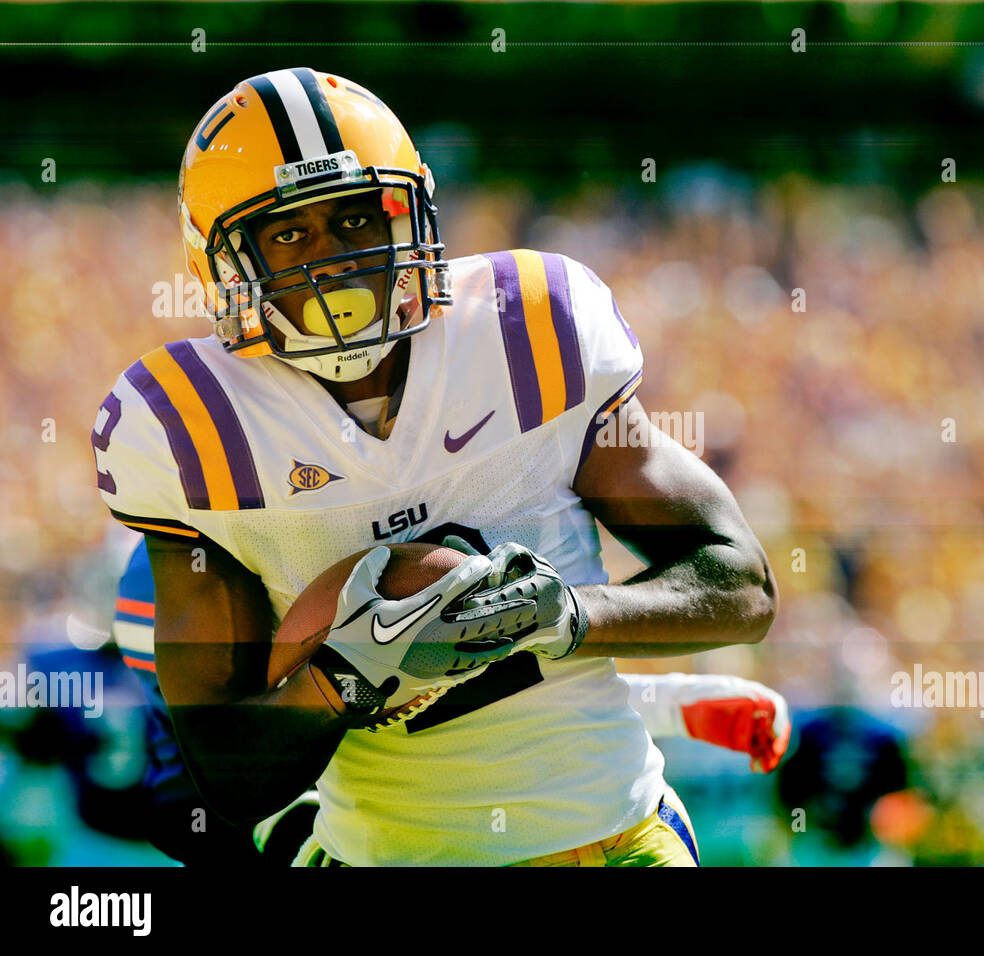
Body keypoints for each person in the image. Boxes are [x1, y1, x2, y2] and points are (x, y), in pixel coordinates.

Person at [91, 68, 777, 866]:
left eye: (355, 218)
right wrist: (346, 673)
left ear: (412, 214)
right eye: (288, 234)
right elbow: (222, 780)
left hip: (614, 835)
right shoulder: (189, 426)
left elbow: (741, 584)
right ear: (224, 263)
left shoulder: (530, 330)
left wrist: (568, 616)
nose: (333, 262)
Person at [111, 536, 791, 865]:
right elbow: (224, 804)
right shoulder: (204, 774)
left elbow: (467, 693)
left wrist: (673, 701)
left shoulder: (308, 541)